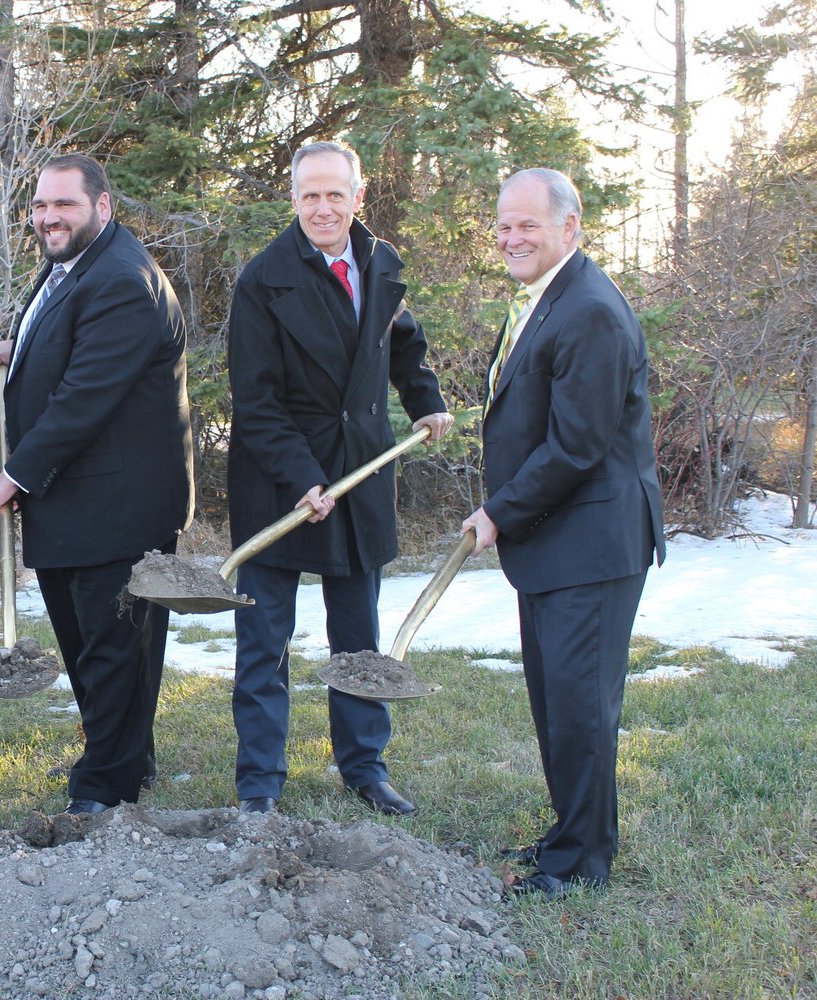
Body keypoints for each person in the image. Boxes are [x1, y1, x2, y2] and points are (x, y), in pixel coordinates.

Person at [226, 141, 452, 817]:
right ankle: (260, 782)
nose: (322, 208)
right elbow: (257, 402)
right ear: (292, 200)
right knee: (265, 641)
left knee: (357, 634)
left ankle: (364, 765)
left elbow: (401, 341)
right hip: (280, 481)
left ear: (358, 196)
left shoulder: (379, 262)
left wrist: (426, 400)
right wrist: (302, 477)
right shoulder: (262, 280)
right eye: (308, 195)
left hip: (361, 473)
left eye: (334, 194)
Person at [462, 168, 665, 899]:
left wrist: (498, 513)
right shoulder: (543, 301)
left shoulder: (591, 313)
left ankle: (581, 863)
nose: (512, 237)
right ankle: (572, 832)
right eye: (504, 224)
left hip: (593, 542)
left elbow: (577, 446)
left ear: (570, 228)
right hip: (555, 542)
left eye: (528, 225)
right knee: (558, 701)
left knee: (580, 707)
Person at [0, 154, 194, 814]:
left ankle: (107, 787)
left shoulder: (124, 280)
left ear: (102, 207)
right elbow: (59, 349)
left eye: (64, 205)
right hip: (74, 503)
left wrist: (14, 473)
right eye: (41, 206)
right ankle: (126, 756)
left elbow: (85, 395)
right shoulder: (68, 268)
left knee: (113, 653)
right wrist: (12, 349)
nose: (49, 217)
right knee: (91, 651)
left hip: (118, 508)